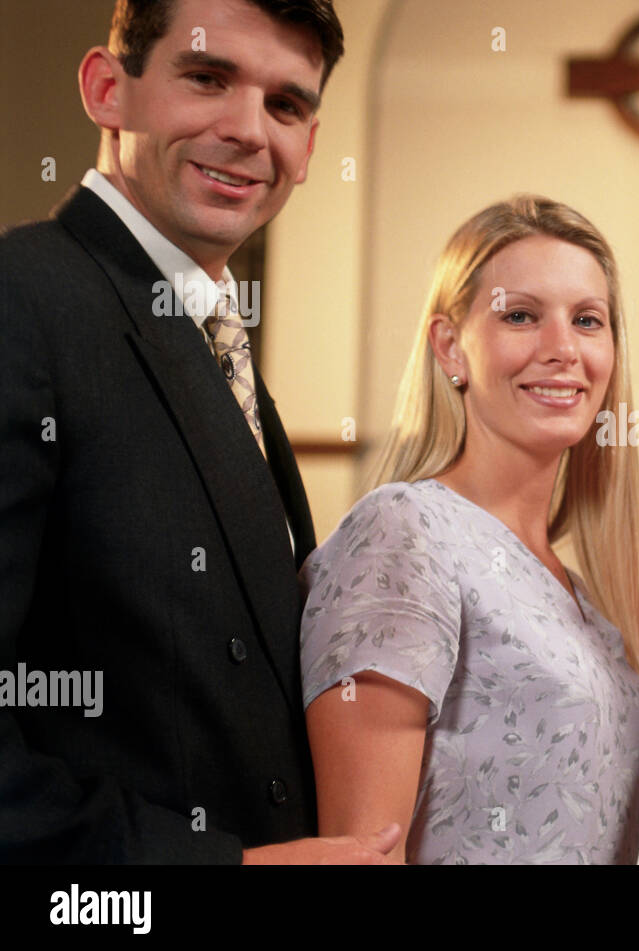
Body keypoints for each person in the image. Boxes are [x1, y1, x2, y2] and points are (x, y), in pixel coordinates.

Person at [0, 0, 399, 863]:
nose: (249, 131)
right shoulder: (22, 300)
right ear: (109, 89)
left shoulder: (214, 336)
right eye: (208, 78)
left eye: (286, 105)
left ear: (310, 143)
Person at [300, 196, 639, 864]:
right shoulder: (404, 532)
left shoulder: (587, 605)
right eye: (521, 315)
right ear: (450, 347)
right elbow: (360, 854)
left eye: (588, 320)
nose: (562, 350)